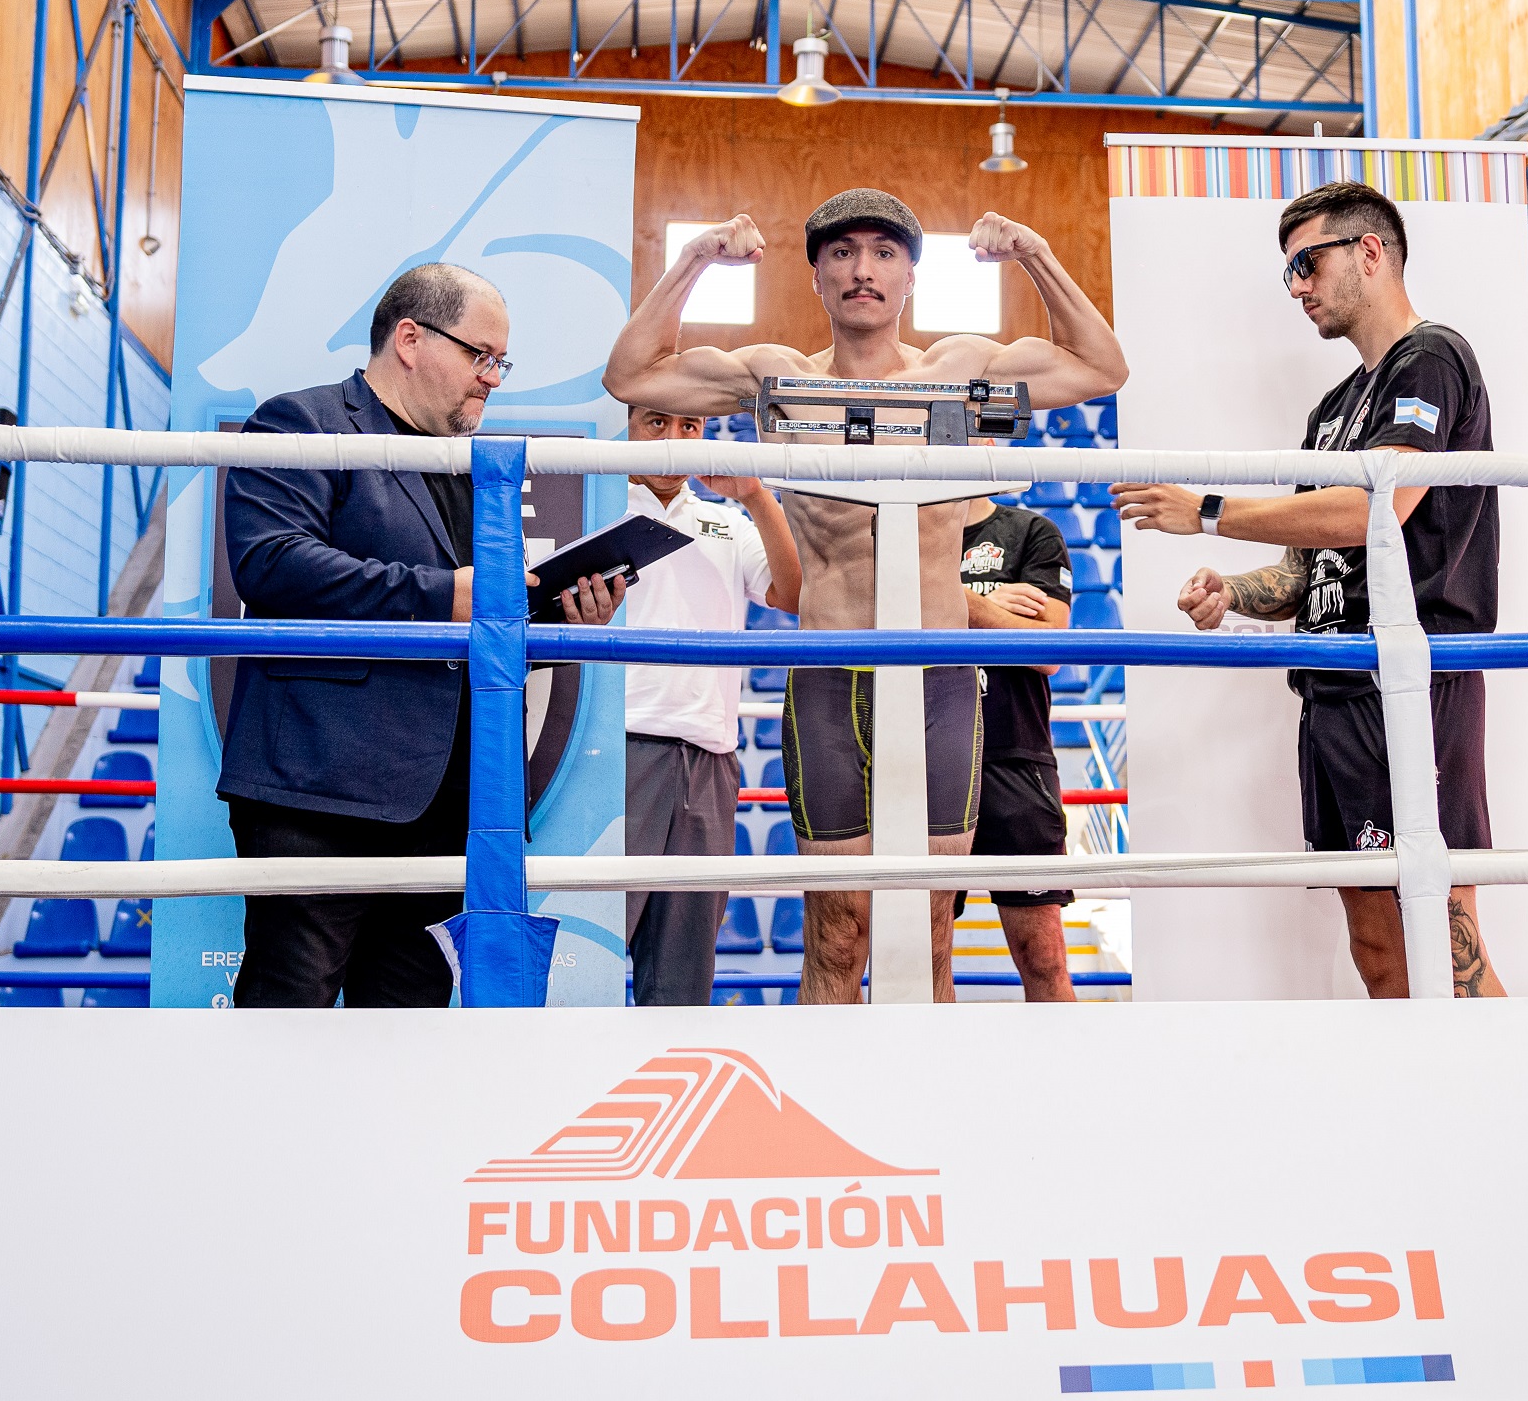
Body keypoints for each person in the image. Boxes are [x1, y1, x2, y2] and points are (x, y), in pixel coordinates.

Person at [604, 189, 1128, 1004]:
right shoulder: (776, 379)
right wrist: (696, 258)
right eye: (842, 253)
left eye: (884, 253)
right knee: (838, 934)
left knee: (928, 936)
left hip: (938, 680)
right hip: (830, 677)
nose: (862, 269)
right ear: (815, 276)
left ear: (911, 276)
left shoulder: (959, 371)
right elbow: (630, 375)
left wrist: (1033, 251)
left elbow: (1101, 366)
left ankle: (918, 1124)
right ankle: (829, 1121)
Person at [1109, 180, 1506, 999]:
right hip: (1330, 692)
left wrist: (1209, 511)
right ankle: (1427, 1113)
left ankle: (1515, 1116)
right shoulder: (1334, 408)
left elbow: (1378, 508)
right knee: (1375, 940)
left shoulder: (1429, 358)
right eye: (1288, 271)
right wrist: (1234, 590)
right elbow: (1305, 567)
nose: (1296, 287)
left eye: (1307, 263)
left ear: (1370, 251)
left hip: (1407, 683)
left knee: (1442, 933)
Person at [218, 263, 621, 1009]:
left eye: (501, 361)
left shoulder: (465, 466)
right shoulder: (299, 423)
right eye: (482, 355)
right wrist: (445, 591)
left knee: (410, 1032)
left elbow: (486, 622)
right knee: (287, 1013)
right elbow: (270, 563)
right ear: (409, 338)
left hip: (443, 805)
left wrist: (566, 613)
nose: (493, 378)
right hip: (318, 795)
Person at [621, 403, 802, 1006]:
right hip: (615, 751)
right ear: (623, 424)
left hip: (710, 758)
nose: (674, 440)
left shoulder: (728, 522)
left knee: (682, 974)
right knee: (586, 945)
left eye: (689, 426)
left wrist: (755, 495)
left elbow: (793, 593)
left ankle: (657, 1098)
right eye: (655, 422)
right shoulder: (595, 506)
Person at [958, 484, 1076, 1002]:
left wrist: (952, 602)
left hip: (1014, 757)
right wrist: (986, 600)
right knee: (920, 951)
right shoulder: (900, 532)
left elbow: (1047, 648)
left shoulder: (1032, 532)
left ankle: (1074, 1083)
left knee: (1043, 960)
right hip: (924, 760)